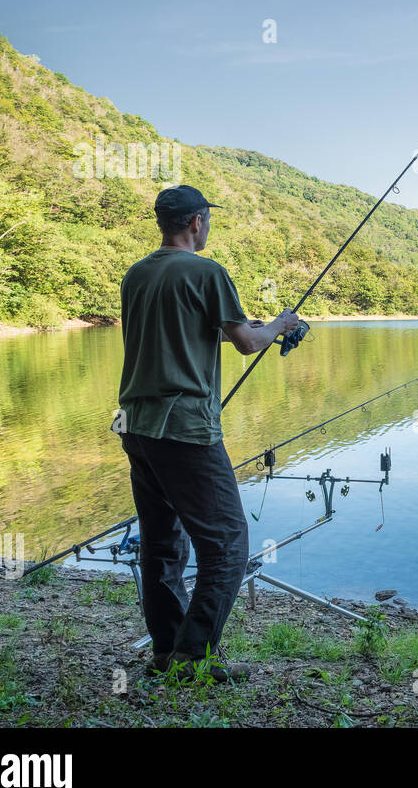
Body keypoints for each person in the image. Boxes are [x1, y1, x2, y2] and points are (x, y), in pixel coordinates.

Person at [116, 184, 299, 682]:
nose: (208, 226)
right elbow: (246, 344)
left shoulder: (137, 276)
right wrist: (279, 324)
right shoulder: (206, 271)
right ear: (196, 222)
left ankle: (166, 649)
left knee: (161, 540)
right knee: (227, 544)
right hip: (185, 429)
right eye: (207, 220)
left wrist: (243, 325)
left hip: (136, 425)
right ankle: (193, 659)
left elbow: (184, 328)